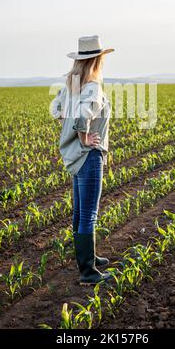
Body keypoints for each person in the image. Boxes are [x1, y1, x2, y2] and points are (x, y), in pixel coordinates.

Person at [51, 35, 115, 285]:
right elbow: (82, 116)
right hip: (88, 155)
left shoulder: (70, 86)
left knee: (80, 211)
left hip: (73, 156)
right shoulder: (93, 87)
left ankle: (88, 257)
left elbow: (56, 110)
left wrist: (72, 128)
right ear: (97, 60)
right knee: (89, 213)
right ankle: (88, 272)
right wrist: (84, 136)